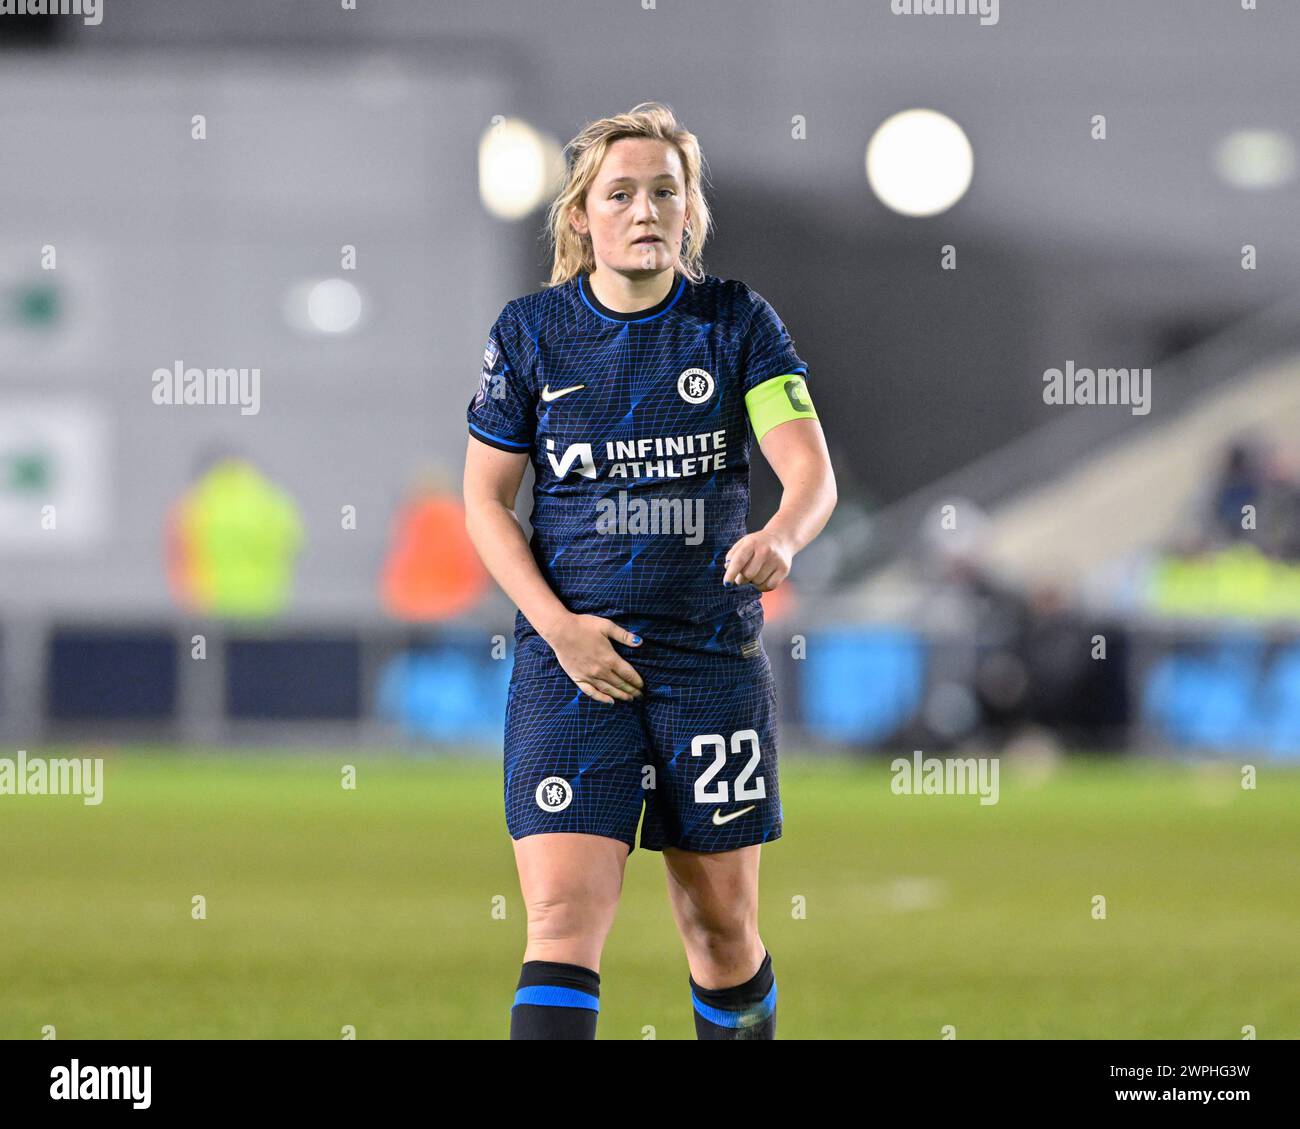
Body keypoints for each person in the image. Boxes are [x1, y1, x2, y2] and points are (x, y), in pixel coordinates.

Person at [463, 102, 836, 1040]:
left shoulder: (735, 321)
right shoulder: (531, 332)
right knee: (559, 918)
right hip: (570, 661)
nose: (644, 210)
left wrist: (783, 537)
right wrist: (559, 627)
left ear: (689, 211)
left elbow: (809, 472)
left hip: (708, 663)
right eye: (620, 192)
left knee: (720, 928)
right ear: (582, 216)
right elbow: (484, 501)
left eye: (664, 192)